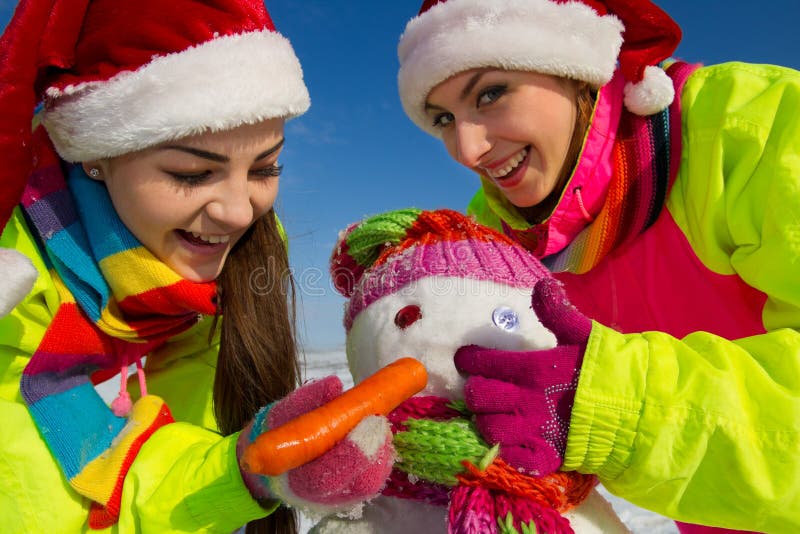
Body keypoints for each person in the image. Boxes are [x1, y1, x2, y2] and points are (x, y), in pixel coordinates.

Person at [395, 0, 800, 533]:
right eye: (443, 119)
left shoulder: (752, 131)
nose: (468, 150)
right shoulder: (494, 237)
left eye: (491, 93)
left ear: (577, 71)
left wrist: (613, 411)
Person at [0, 1, 393, 532]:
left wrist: (253, 468)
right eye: (191, 173)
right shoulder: (15, 288)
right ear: (96, 154)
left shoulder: (202, 286)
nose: (237, 212)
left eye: (265, 167)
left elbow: (171, 460)